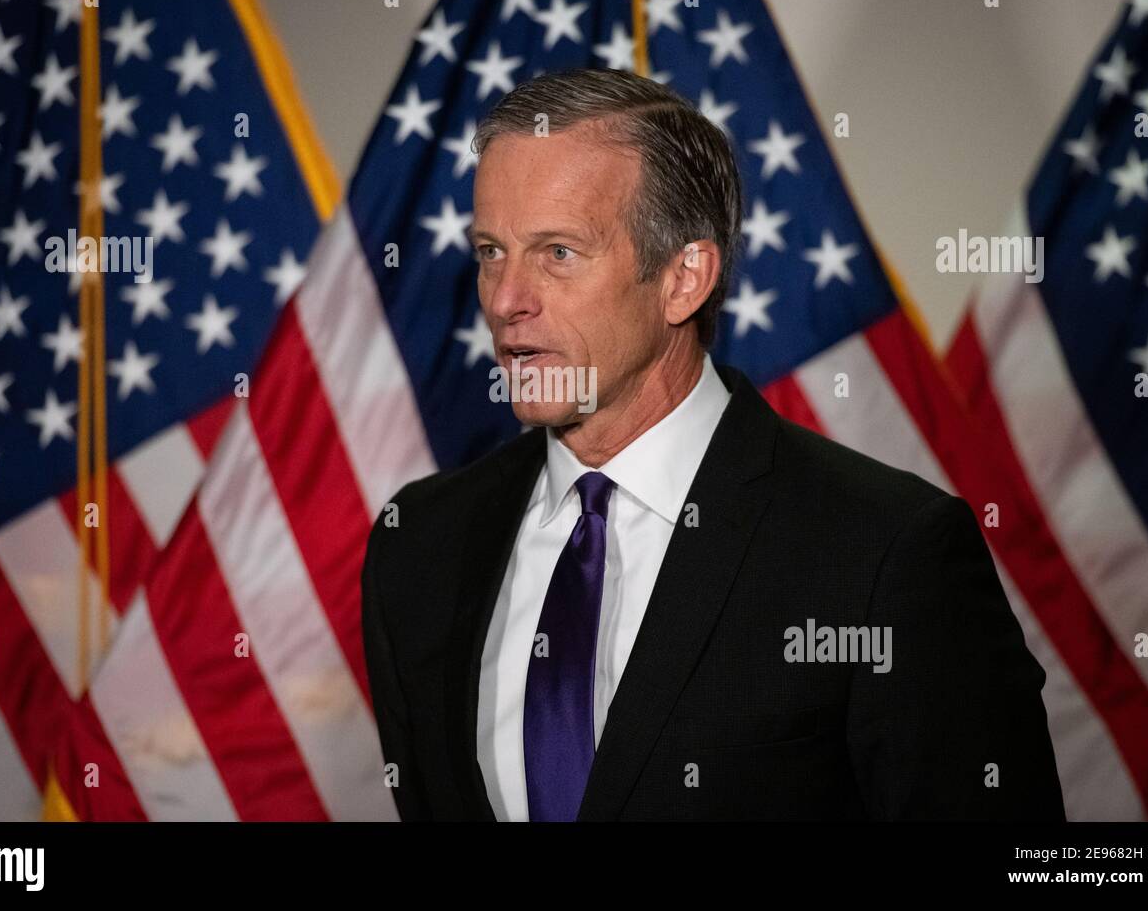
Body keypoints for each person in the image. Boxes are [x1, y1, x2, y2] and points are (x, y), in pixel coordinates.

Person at [361, 68, 1065, 821]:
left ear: (684, 278)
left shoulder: (885, 554)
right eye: (491, 252)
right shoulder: (420, 547)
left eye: (558, 253)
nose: (505, 300)